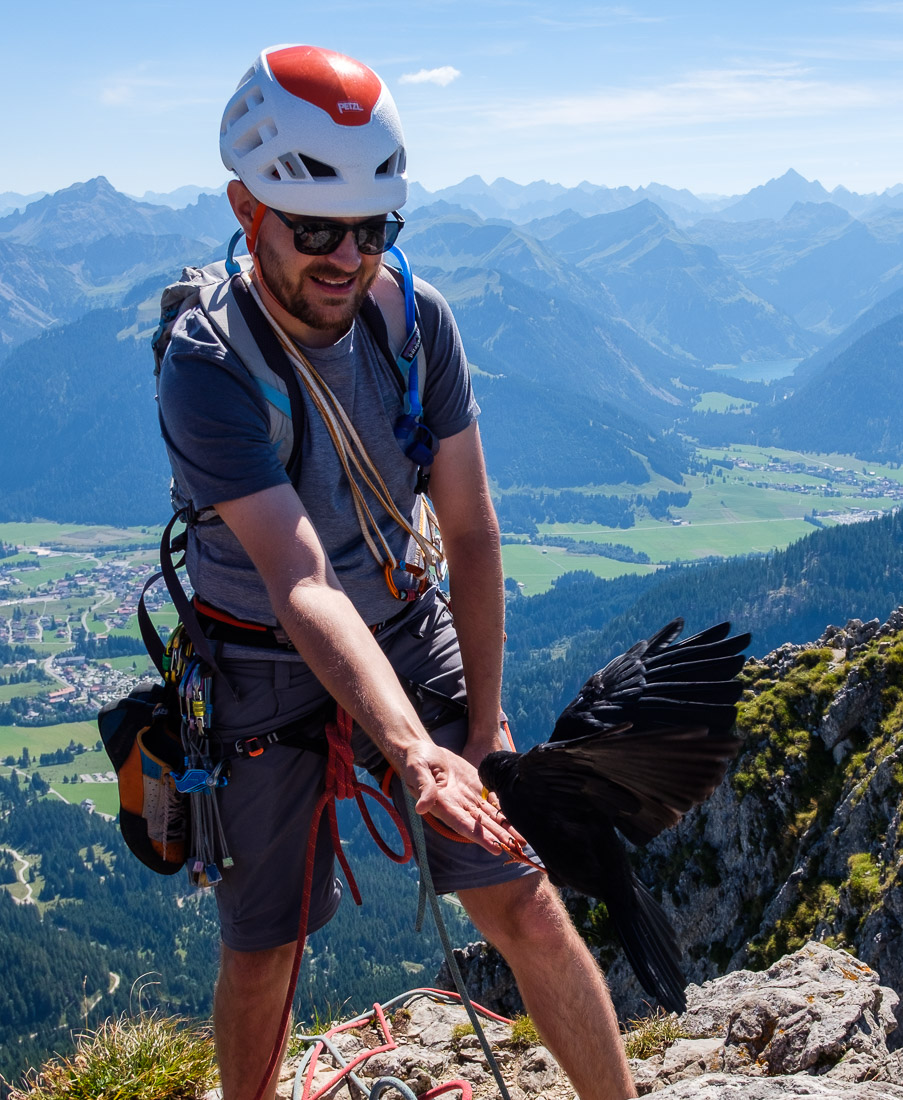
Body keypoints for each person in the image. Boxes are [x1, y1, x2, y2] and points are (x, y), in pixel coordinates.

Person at [155, 44, 634, 1100]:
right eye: (316, 229)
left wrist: (487, 726)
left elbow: (468, 526)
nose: (346, 257)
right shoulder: (209, 360)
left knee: (524, 895)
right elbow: (301, 575)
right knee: (266, 949)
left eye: (371, 231)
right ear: (246, 206)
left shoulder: (416, 323)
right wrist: (417, 751)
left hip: (409, 630)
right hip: (261, 663)